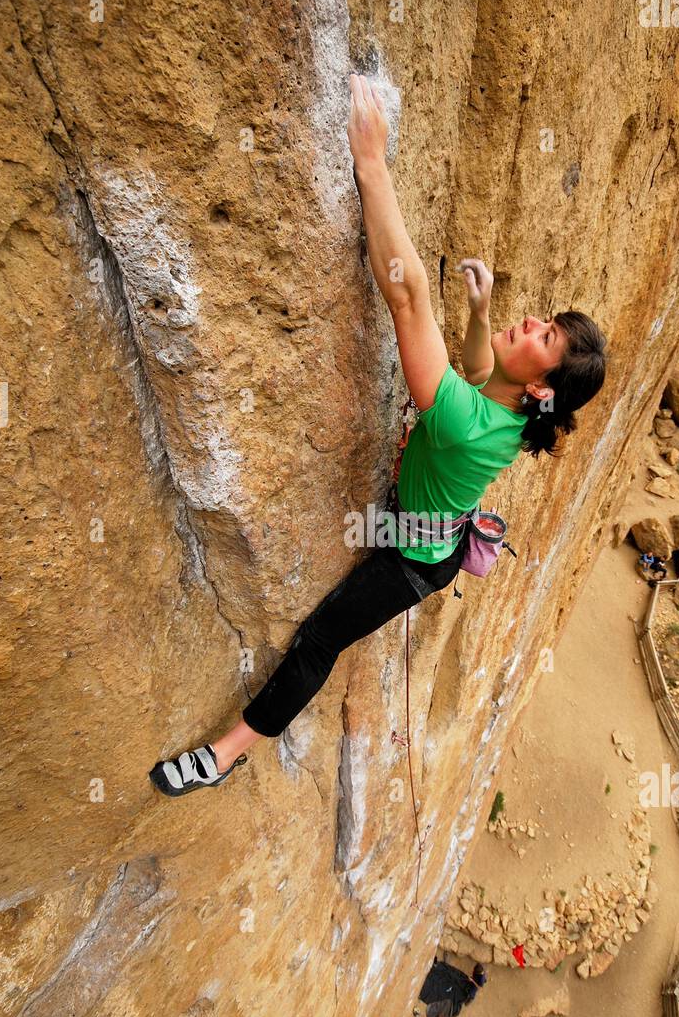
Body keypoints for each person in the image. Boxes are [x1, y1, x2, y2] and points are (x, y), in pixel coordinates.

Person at [149, 73, 608, 797]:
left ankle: (225, 754)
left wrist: (371, 163)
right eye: (542, 317)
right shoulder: (512, 409)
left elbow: (406, 295)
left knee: (320, 639)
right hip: (435, 530)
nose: (531, 322)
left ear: (542, 387)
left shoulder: (463, 421)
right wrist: (485, 314)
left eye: (542, 333)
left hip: (411, 562)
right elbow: (480, 366)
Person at [419, 956, 486, 1017]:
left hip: (474, 988)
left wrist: (472, 981)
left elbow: (479, 987)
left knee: (469, 995)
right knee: (455, 977)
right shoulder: (480, 970)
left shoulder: (481, 979)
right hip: (472, 982)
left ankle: (468, 1001)